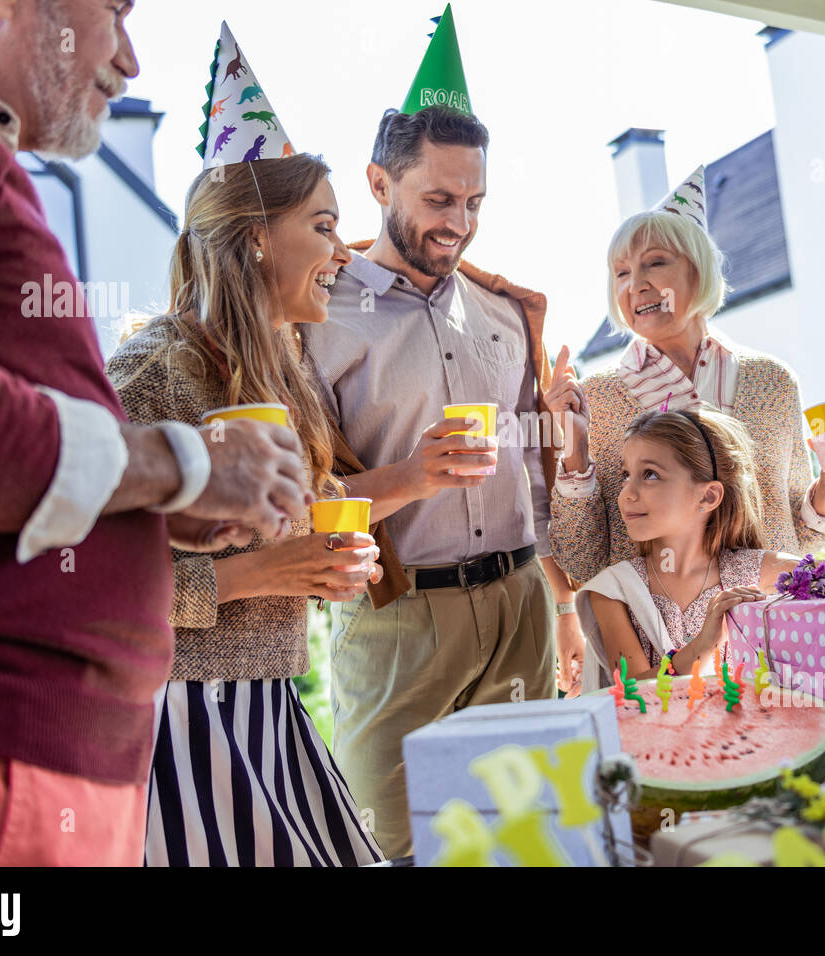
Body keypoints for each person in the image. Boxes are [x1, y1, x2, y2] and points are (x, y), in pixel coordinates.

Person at [0, 0, 310, 866]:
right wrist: (182, 465)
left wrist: (152, 507)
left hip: (40, 763)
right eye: (115, 9)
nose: (131, 59)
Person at [303, 11, 578, 858]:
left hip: (523, 605)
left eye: (474, 202)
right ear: (379, 185)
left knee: (534, 840)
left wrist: (563, 597)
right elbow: (304, 501)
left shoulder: (504, 311)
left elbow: (540, 480)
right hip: (399, 625)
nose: (458, 221)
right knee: (395, 845)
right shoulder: (314, 314)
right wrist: (413, 477)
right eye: (438, 199)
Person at [106, 26, 381, 867]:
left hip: (267, 706)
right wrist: (262, 573)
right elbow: (89, 580)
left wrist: (325, 565)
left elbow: (265, 551)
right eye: (325, 225)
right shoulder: (149, 373)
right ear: (257, 236)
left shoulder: (284, 373)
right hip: (178, 725)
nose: (344, 252)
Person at [546, 166, 825, 592]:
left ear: (698, 270)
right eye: (622, 272)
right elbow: (583, 562)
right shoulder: (598, 399)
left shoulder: (773, 381)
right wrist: (574, 452)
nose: (636, 285)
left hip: (768, 623)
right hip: (656, 642)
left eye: (655, 263)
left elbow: (802, 537)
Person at [576, 408, 825, 689]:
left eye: (650, 475)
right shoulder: (613, 590)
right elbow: (630, 693)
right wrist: (702, 646)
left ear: (708, 497)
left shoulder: (762, 572)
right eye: (625, 475)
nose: (626, 494)